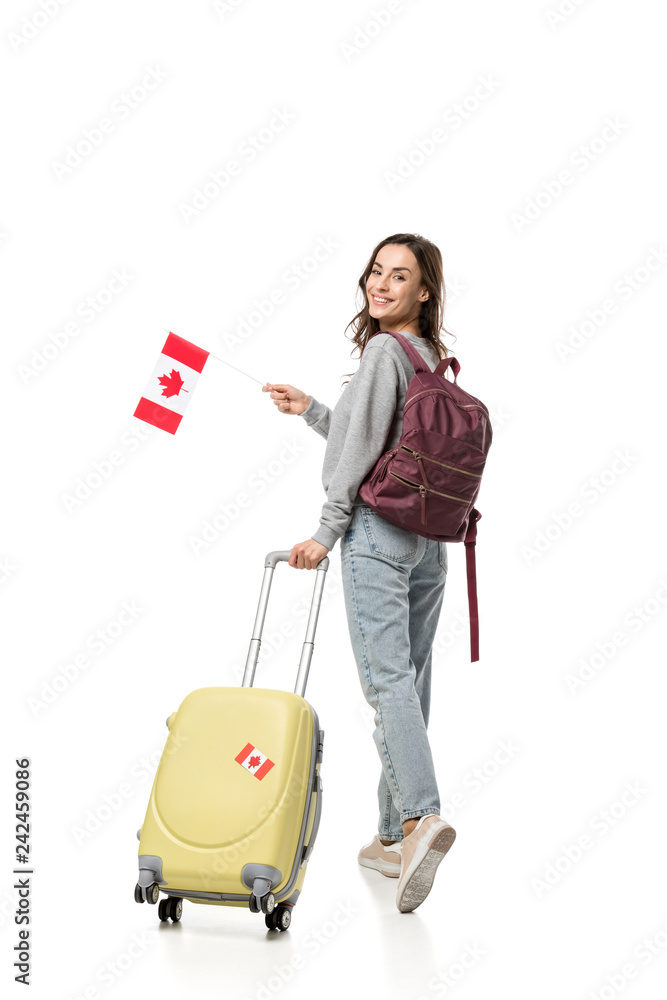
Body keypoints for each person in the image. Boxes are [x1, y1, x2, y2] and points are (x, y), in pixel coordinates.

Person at [262, 233, 456, 913]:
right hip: (430, 541)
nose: (380, 284)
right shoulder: (429, 357)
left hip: (376, 534)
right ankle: (386, 835)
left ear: (422, 291)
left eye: (398, 276)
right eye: (376, 271)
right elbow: (373, 438)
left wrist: (324, 531)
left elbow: (355, 461)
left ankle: (419, 820)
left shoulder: (382, 350)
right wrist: (313, 410)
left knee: (386, 684)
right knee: (410, 683)